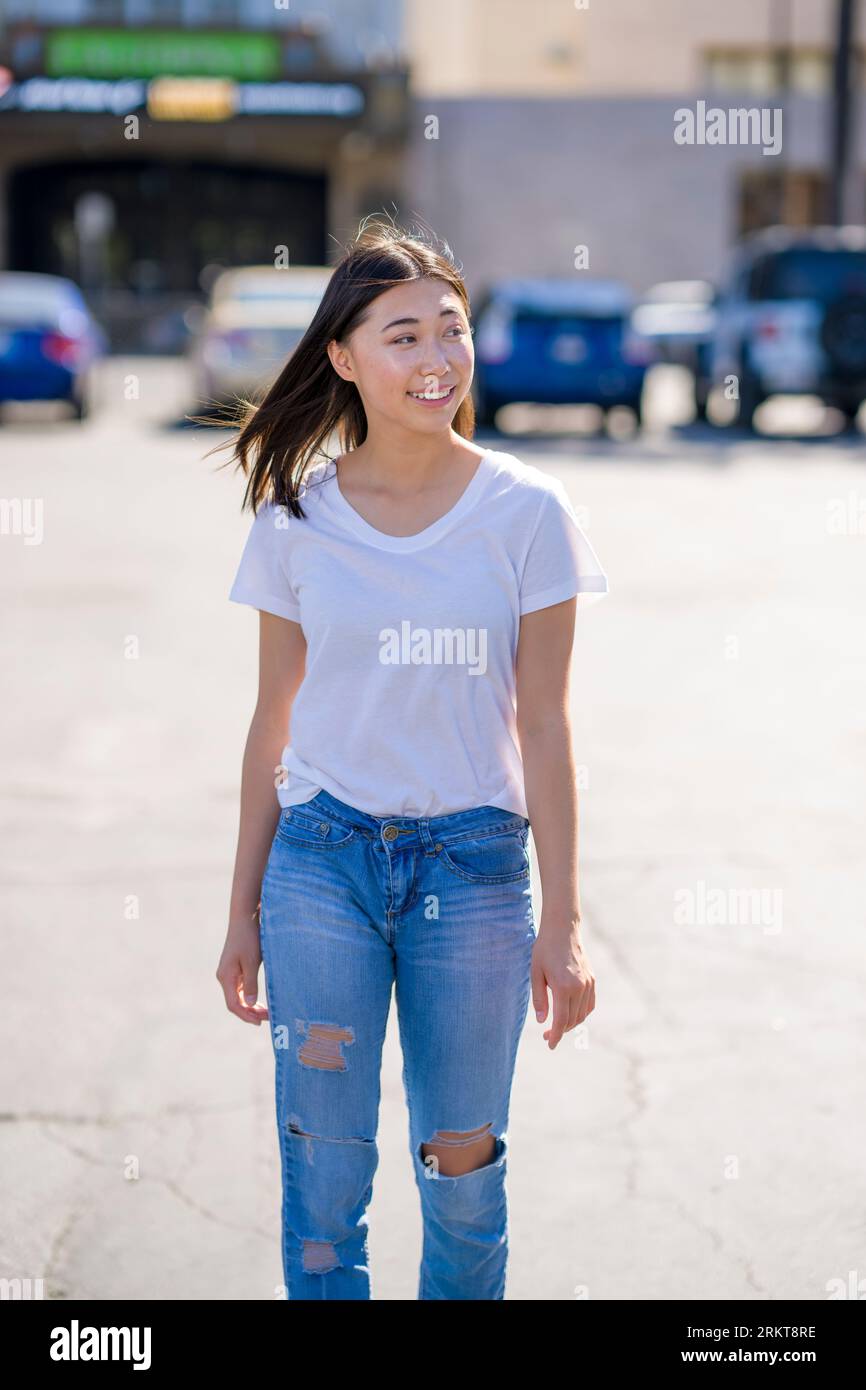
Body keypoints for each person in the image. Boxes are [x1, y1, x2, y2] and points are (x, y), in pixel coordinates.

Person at [213, 218, 609, 1300]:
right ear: (342, 357)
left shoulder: (527, 513)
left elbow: (544, 726)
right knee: (323, 1178)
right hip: (321, 868)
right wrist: (241, 906)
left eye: (450, 330)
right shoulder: (296, 520)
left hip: (475, 872)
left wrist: (562, 926)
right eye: (402, 337)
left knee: (463, 1168)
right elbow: (270, 724)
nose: (436, 359)